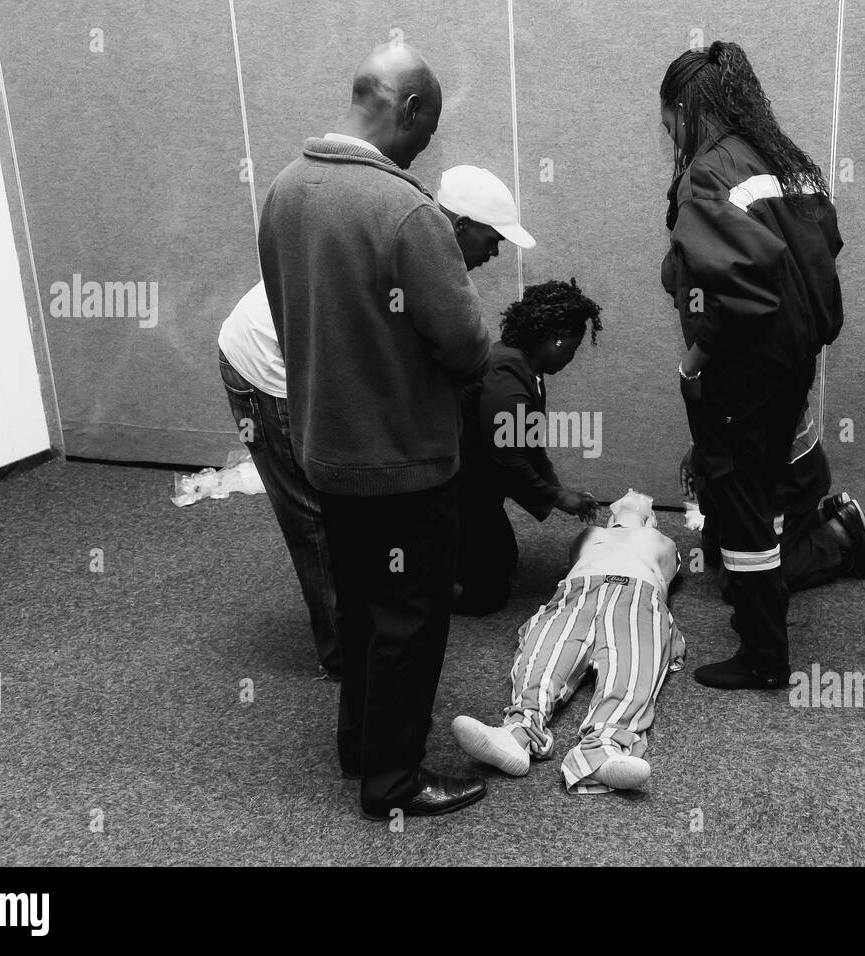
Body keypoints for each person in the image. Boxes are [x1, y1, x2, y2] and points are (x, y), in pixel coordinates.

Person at [258, 42, 494, 819]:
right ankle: (392, 781)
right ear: (410, 108)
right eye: (427, 131)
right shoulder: (405, 210)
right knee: (410, 623)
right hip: (404, 463)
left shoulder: (286, 191)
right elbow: (465, 346)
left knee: (361, 606)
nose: (426, 148)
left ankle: (359, 742)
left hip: (325, 450)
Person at [217, 164, 531, 681]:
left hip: (310, 357)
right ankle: (346, 658)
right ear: (459, 226)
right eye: (492, 239)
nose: (494, 253)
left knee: (351, 517)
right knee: (316, 516)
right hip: (266, 368)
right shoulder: (414, 239)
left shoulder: (416, 245)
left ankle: (366, 641)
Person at [659, 40, 844, 691]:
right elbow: (829, 241)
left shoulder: (709, 174)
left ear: (686, 111)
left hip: (743, 368)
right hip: (795, 360)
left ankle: (764, 657)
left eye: (668, 123)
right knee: (761, 494)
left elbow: (735, 293)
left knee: (738, 505)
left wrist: (694, 361)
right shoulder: (788, 159)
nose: (669, 138)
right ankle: (778, 601)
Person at [451, 490, 685, 792]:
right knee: (548, 650)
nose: (632, 498)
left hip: (637, 596)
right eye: (624, 501)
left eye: (642, 503)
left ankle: (604, 748)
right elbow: (577, 558)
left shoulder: (663, 541)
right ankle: (518, 732)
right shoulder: (591, 533)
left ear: (651, 520)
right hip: (578, 589)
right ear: (610, 515)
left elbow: (666, 576)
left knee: (632, 666)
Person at [453, 279, 603, 615]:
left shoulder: (527, 369)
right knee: (487, 597)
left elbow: (531, 445)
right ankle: (425, 589)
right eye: (572, 348)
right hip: (458, 489)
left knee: (505, 561)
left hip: (480, 485)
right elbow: (508, 461)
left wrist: (556, 488)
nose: (571, 357)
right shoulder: (506, 374)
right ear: (555, 339)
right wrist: (558, 498)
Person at [684, 399, 865, 597]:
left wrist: (706, 459)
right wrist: (697, 451)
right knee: (714, 552)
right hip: (743, 468)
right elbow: (707, 401)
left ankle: (837, 537)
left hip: (784, 480)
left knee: (740, 584)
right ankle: (816, 520)